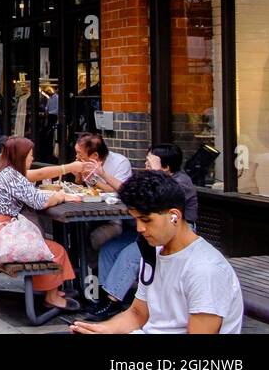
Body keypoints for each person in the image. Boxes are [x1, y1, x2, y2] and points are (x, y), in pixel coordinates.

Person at [72, 171, 243, 334]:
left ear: (174, 216)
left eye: (146, 220)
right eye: (136, 219)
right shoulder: (153, 252)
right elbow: (137, 314)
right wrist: (103, 329)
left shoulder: (205, 269)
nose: (140, 228)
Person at [87, 144, 201, 321]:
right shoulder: (157, 180)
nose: (145, 166)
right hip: (149, 230)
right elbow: (130, 192)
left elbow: (145, 200)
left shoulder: (178, 184)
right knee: (109, 249)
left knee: (130, 255)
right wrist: (102, 174)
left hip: (174, 234)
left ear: (166, 168)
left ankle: (111, 301)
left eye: (149, 163)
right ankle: (108, 294)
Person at [0, 136, 85, 312]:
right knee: (54, 250)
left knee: (40, 242)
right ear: (20, 156)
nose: (32, 159)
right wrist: (61, 195)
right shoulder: (12, 176)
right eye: (30, 155)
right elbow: (39, 201)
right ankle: (51, 297)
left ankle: (52, 288)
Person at [75, 131, 135, 250]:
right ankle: (88, 266)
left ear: (95, 156)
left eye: (79, 153)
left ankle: (95, 266)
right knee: (76, 232)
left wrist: (95, 179)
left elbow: (119, 190)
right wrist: (78, 176)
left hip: (117, 218)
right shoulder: (85, 163)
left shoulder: (120, 163)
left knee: (93, 238)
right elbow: (82, 185)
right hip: (92, 211)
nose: (77, 157)